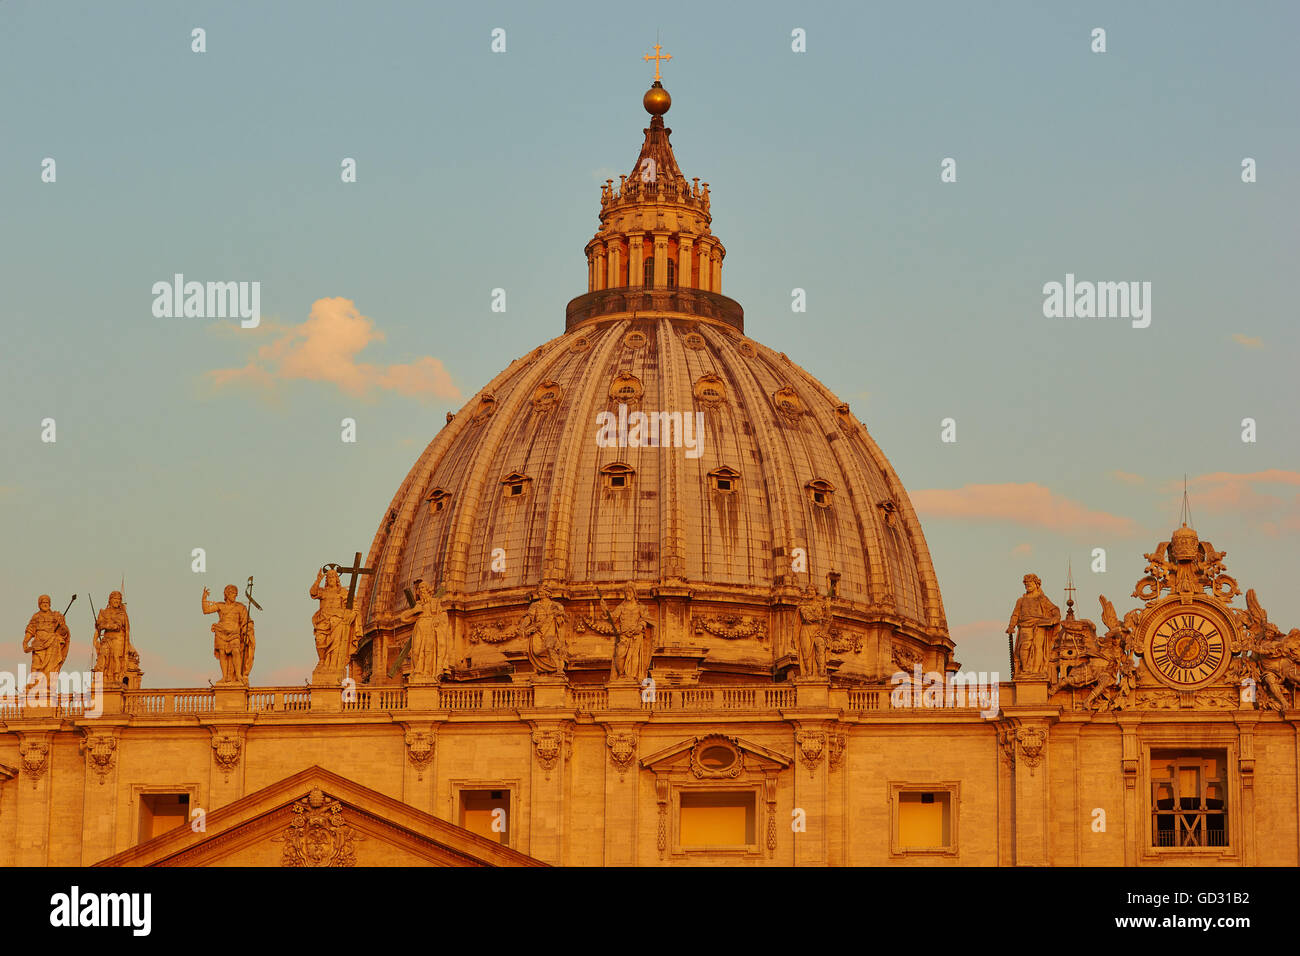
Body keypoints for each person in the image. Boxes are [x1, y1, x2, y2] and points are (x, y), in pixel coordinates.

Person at [1007, 574, 1060, 678]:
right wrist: (1011, 626)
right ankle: (1025, 670)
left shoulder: (1042, 598)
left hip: (1039, 625)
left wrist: (1055, 618)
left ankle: (1037, 671)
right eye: (1026, 583)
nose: (1027, 584)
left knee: (1038, 648)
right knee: (1024, 647)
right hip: (1025, 626)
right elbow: (1015, 614)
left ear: (1036, 584)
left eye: (1030, 582)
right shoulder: (1021, 600)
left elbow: (1054, 609)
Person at [203, 585, 252, 684]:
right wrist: (204, 598)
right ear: (227, 594)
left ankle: (238, 675)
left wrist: (247, 632)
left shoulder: (240, 607)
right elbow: (206, 610)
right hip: (221, 632)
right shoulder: (220, 605)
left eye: (236, 594)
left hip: (234, 633)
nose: (235, 596)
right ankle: (225, 677)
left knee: (236, 651)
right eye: (233, 593)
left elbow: (246, 621)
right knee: (222, 653)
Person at [24, 594, 70, 693]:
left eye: (47, 602)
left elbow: (63, 631)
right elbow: (30, 630)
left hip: (52, 643)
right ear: (39, 604)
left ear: (49, 604)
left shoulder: (55, 616)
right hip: (38, 643)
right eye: (43, 603)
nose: (45, 604)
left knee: (51, 665)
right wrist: (25, 642)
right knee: (36, 663)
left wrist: (62, 624)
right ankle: (34, 682)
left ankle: (47, 684)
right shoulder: (36, 616)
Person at [93, 591, 131, 686]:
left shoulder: (122, 614)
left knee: (116, 658)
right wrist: (95, 639)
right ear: (110, 600)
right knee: (103, 656)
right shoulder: (103, 612)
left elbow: (117, 626)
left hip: (118, 638)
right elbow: (99, 627)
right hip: (107, 638)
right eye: (115, 599)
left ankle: (116, 677)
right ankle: (103, 677)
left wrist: (104, 625)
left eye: (119, 599)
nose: (117, 601)